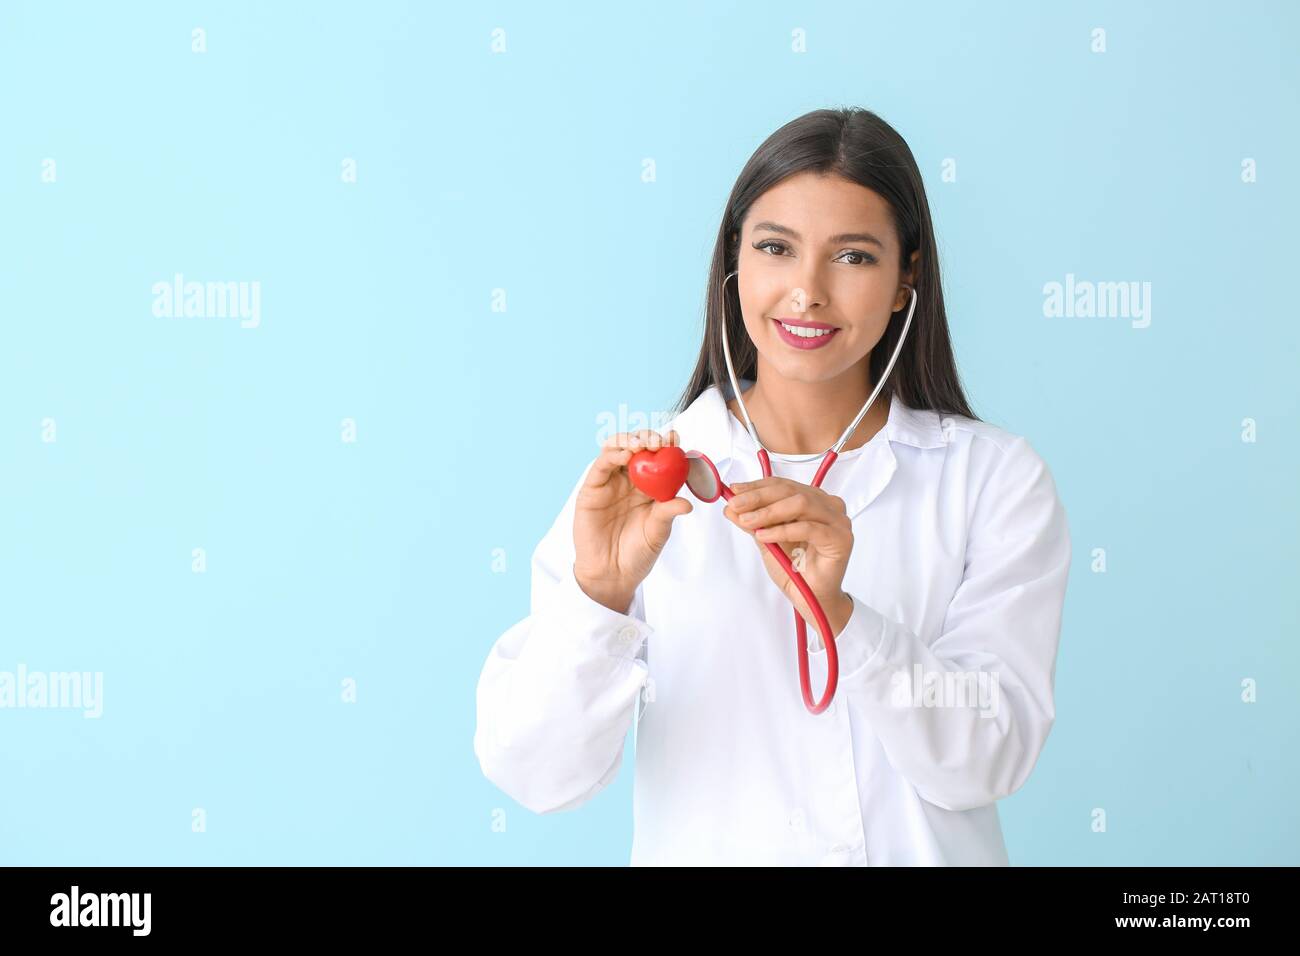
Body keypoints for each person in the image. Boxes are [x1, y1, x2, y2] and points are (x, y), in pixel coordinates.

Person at [473, 107, 1072, 866]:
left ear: (904, 279)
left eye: (852, 257)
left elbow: (991, 757)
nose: (807, 292)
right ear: (735, 263)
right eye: (775, 248)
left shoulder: (993, 480)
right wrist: (600, 597)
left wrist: (845, 621)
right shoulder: (639, 489)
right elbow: (536, 773)